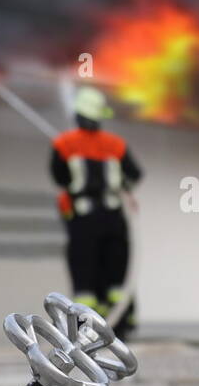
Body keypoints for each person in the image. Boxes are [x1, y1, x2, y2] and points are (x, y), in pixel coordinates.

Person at [48, 86, 142, 339]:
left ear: (78, 114)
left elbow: (59, 177)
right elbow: (134, 174)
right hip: (113, 218)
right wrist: (120, 185)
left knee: (85, 276)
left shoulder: (63, 143)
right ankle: (121, 327)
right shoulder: (116, 145)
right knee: (116, 276)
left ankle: (87, 330)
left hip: (82, 219)